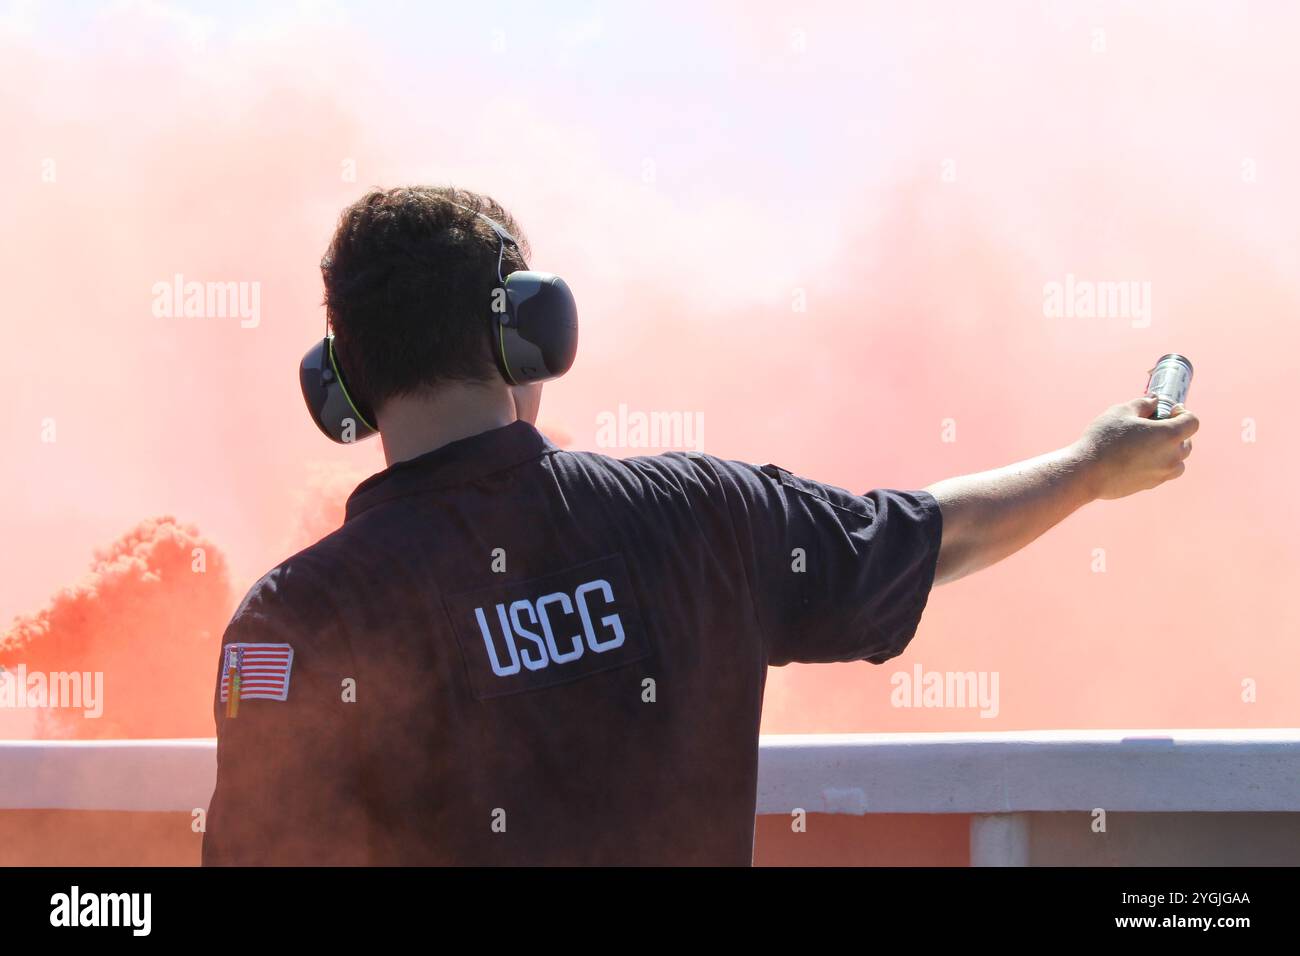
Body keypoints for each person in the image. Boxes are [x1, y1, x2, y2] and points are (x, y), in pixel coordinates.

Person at [202, 185, 1198, 865]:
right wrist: (1090, 466)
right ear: (529, 335)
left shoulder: (292, 620)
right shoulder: (701, 517)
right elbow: (928, 536)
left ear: (338, 381)